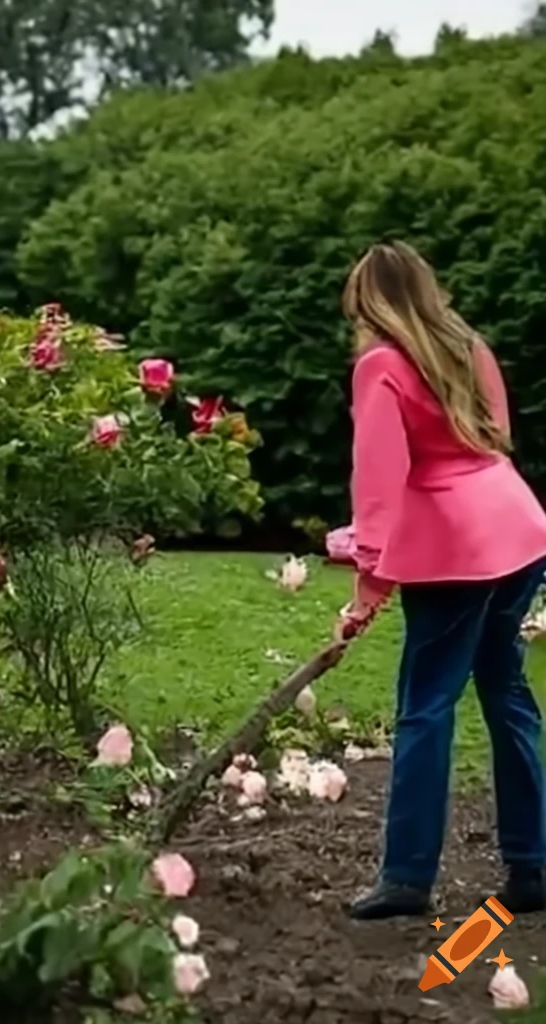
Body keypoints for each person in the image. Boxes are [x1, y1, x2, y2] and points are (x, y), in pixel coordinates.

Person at [336, 241, 546, 921]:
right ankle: (534, 866)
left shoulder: (380, 366)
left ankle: (406, 879)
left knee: (426, 705)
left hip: (456, 553)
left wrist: (368, 583)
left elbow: (380, 480)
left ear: (366, 301)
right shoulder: (469, 348)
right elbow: (492, 446)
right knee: (507, 690)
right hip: (518, 530)